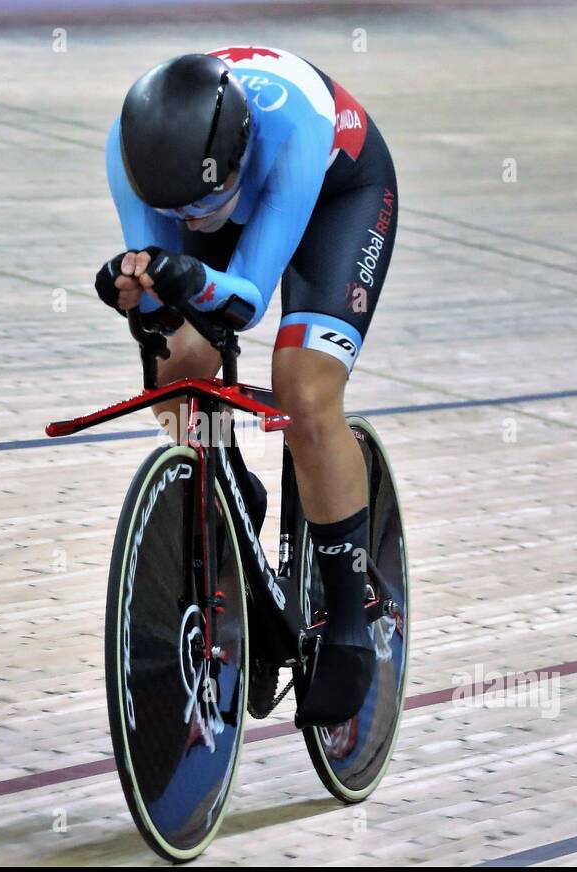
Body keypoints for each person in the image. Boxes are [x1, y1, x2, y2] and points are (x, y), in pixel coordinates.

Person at [94, 46, 397, 727]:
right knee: (177, 367)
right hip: (219, 185)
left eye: (205, 202)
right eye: (179, 210)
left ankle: (349, 619)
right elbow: (162, 302)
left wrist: (184, 275)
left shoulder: (294, 130)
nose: (195, 220)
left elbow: (246, 301)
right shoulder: (130, 149)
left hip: (335, 200)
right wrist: (135, 290)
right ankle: (228, 483)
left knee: (304, 390)